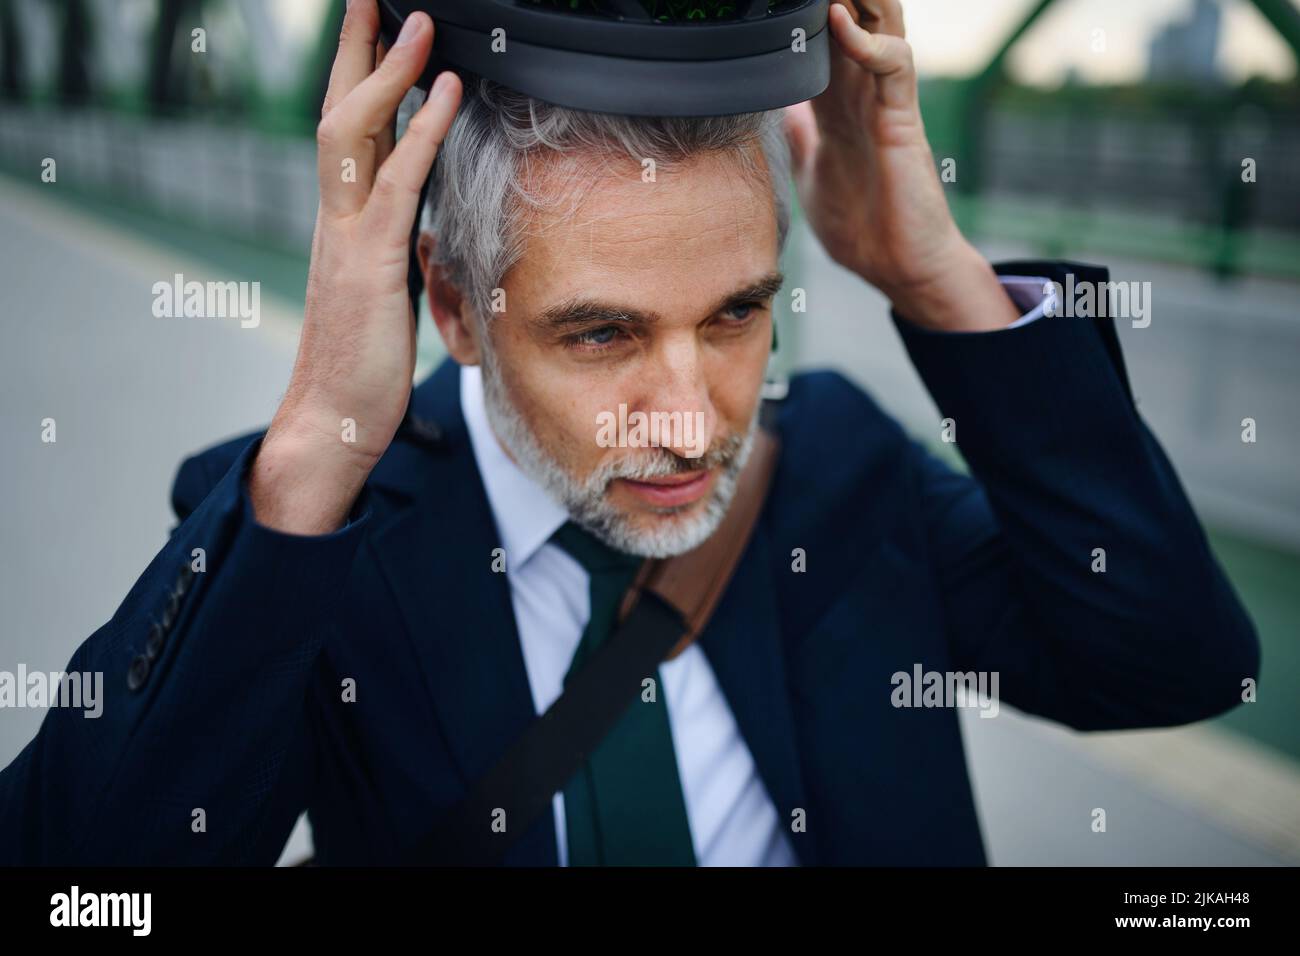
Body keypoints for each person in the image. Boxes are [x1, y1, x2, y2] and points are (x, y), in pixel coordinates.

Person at [0, 0, 1258, 866]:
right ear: (454, 305)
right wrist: (322, 438)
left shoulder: (836, 468)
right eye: (599, 333)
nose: (692, 413)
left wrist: (936, 277)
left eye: (737, 314)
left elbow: (1176, 663)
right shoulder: (322, 542)